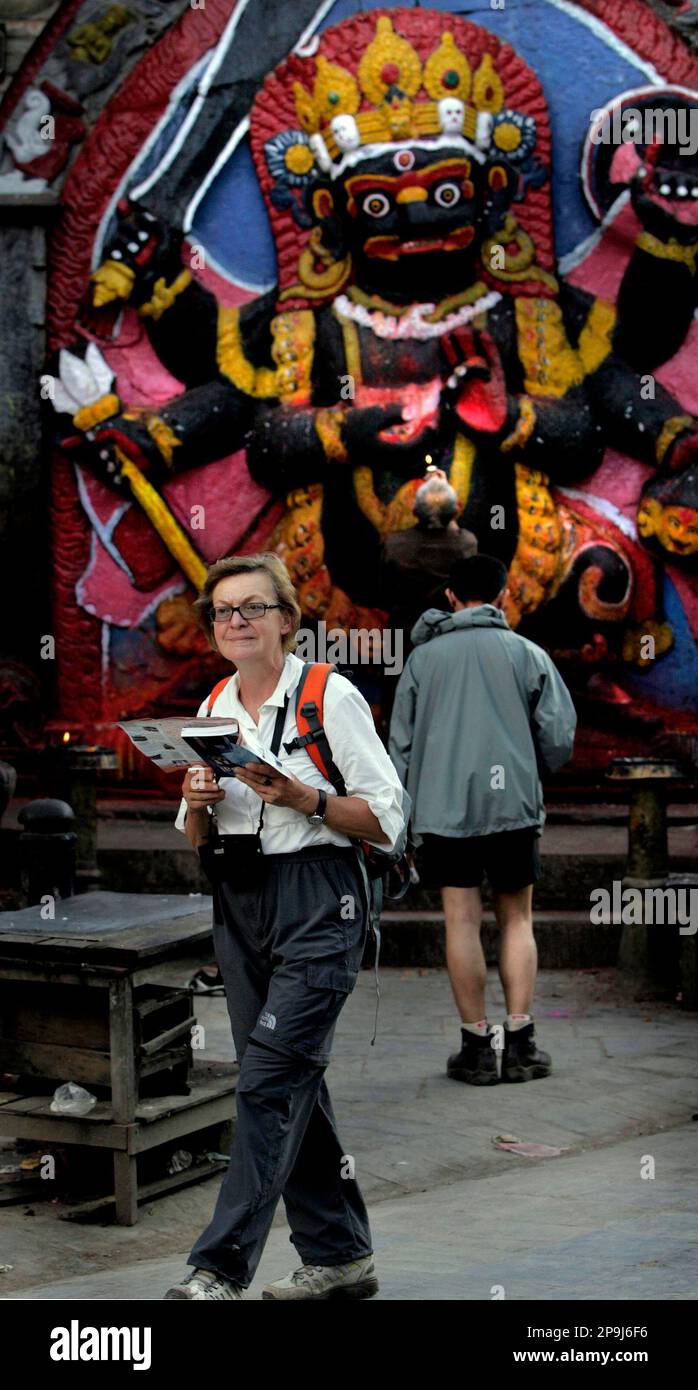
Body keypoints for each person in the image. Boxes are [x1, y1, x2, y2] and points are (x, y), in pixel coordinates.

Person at [165, 552, 405, 1300]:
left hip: (319, 900)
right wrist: (198, 802)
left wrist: (301, 797)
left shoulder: (330, 697)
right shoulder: (213, 704)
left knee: (267, 1084)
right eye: (224, 611)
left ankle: (218, 1269)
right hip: (240, 900)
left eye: (253, 607)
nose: (237, 621)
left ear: (289, 620)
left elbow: (389, 820)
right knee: (289, 1076)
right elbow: (196, 839)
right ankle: (340, 1254)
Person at [389, 554, 576, 1086]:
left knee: (461, 922)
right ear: (504, 595)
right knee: (518, 920)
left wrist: (399, 817)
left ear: (450, 597)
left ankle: (476, 1050)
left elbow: (397, 748)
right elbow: (559, 740)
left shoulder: (423, 662)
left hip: (445, 812)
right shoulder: (527, 654)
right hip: (512, 808)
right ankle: (521, 1046)